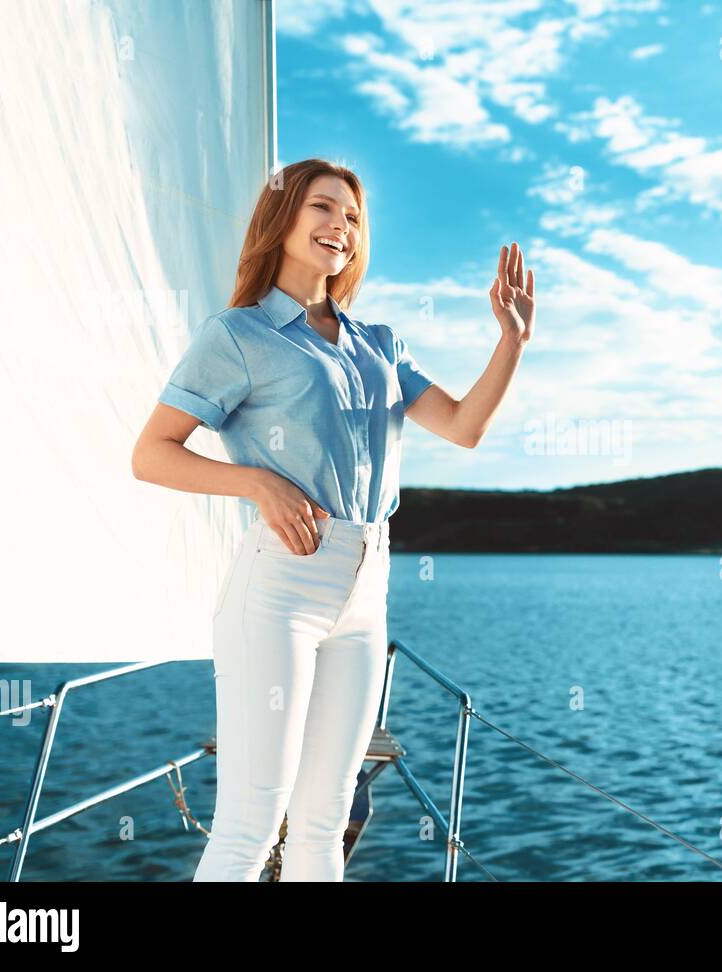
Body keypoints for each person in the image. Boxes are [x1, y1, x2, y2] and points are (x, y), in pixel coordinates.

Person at [131, 158, 535, 881]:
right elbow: (152, 455)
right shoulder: (238, 336)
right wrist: (257, 482)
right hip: (281, 587)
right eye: (324, 208)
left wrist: (511, 341)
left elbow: (466, 427)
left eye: (352, 217)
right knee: (252, 820)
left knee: (324, 822)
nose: (341, 227)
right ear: (282, 221)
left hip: (366, 591)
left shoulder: (379, 344)